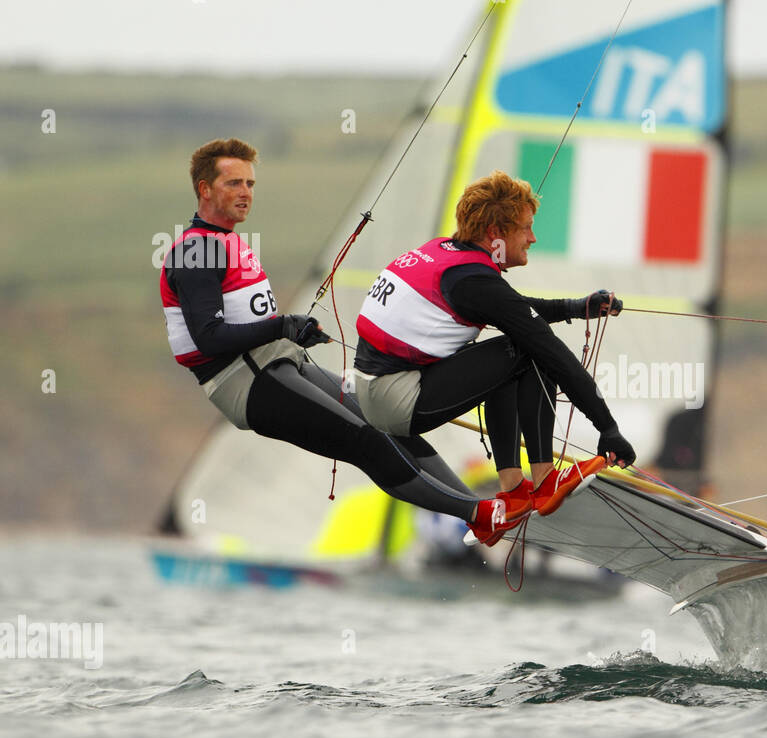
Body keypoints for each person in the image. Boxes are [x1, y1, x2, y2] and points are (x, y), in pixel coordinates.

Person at [160, 138, 517, 541]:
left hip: (276, 362)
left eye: (250, 184)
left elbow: (251, 320)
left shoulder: (226, 241)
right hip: (245, 383)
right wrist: (283, 326)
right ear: (205, 189)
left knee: (387, 424)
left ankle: (476, 506)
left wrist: (293, 332)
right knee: (367, 442)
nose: (246, 193)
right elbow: (209, 339)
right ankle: (478, 514)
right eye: (233, 183)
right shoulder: (195, 253)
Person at [351, 170, 637, 544]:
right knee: (529, 347)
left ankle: (514, 488)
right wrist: (607, 428)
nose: (532, 238)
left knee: (515, 346)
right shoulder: (474, 281)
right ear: (495, 234)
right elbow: (547, 346)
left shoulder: (447, 255)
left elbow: (511, 307)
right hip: (397, 401)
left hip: (375, 393)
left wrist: (575, 307)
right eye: (525, 228)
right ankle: (545, 480)